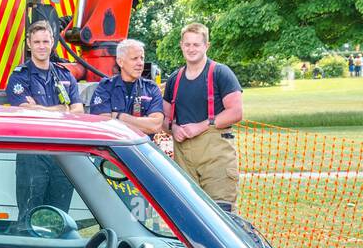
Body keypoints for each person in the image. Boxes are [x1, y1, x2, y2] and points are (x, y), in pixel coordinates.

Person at [162, 22, 245, 210]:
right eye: (187, 44)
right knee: (189, 213)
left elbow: (236, 112)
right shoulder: (175, 79)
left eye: (196, 44)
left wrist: (202, 125)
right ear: (181, 45)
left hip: (216, 157)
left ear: (206, 46)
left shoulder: (220, 73)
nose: (191, 49)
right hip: (184, 158)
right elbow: (165, 119)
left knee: (222, 215)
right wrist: (173, 128)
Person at [6, 20, 83, 218]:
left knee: (59, 216)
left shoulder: (66, 75)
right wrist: (61, 109)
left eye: (46, 41)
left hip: (62, 155)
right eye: (37, 42)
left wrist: (38, 109)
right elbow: (25, 113)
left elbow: (78, 112)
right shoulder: (19, 77)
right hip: (32, 154)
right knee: (28, 215)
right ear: (29, 44)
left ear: (53, 43)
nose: (42, 46)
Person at [86, 38, 165, 135]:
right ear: (120, 62)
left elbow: (155, 126)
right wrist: (143, 123)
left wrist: (118, 116)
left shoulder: (151, 88)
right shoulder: (106, 87)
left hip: (140, 148)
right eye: (134, 58)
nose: (140, 63)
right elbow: (104, 124)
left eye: (142, 58)